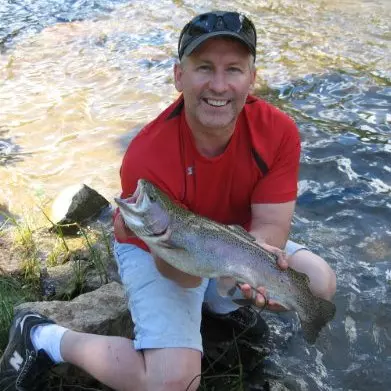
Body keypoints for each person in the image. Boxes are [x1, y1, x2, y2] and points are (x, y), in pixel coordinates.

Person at [0, 10, 336, 391]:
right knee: (174, 382)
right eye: (204, 67)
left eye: (234, 70)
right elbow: (179, 271)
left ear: (252, 79)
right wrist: (222, 271)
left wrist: (251, 274)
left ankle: (214, 308)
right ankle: (43, 337)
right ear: (179, 76)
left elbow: (271, 228)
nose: (219, 85)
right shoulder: (147, 157)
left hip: (232, 242)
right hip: (162, 252)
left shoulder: (279, 132)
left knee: (318, 284)